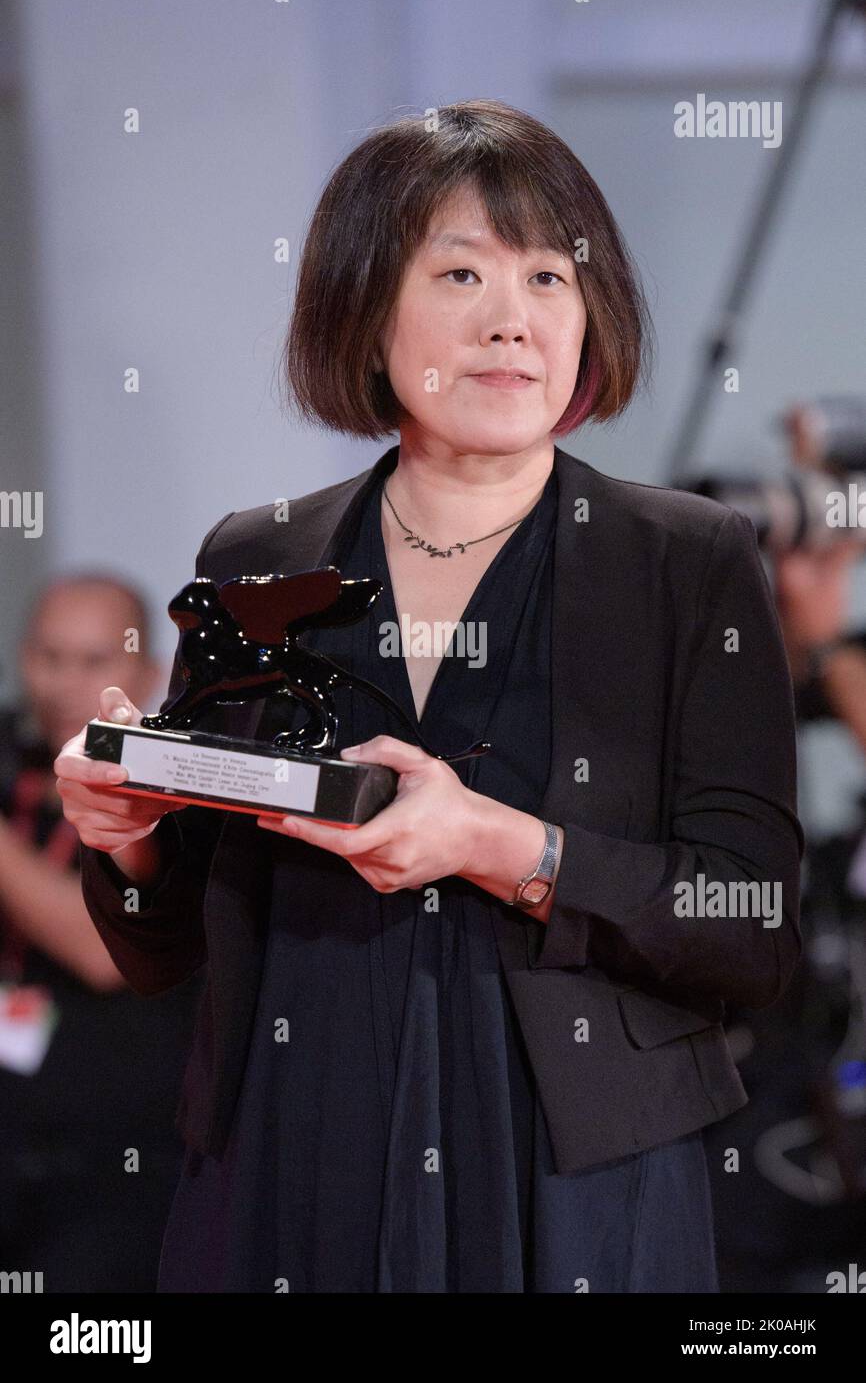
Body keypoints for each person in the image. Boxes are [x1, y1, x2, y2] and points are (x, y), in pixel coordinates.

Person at [55, 99, 804, 1293]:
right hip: (292, 1150)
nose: (512, 321)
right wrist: (129, 840)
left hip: (573, 1176)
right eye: (460, 272)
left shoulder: (683, 561)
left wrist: (500, 845)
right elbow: (171, 946)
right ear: (365, 309)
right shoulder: (256, 557)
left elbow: (751, 922)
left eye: (550, 278)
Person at [0, 573, 202, 1291]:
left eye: (94, 661)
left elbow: (101, 951)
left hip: (123, 1160)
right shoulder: (11, 771)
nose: (65, 682)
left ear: (146, 673)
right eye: (49, 658)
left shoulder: (176, 793)